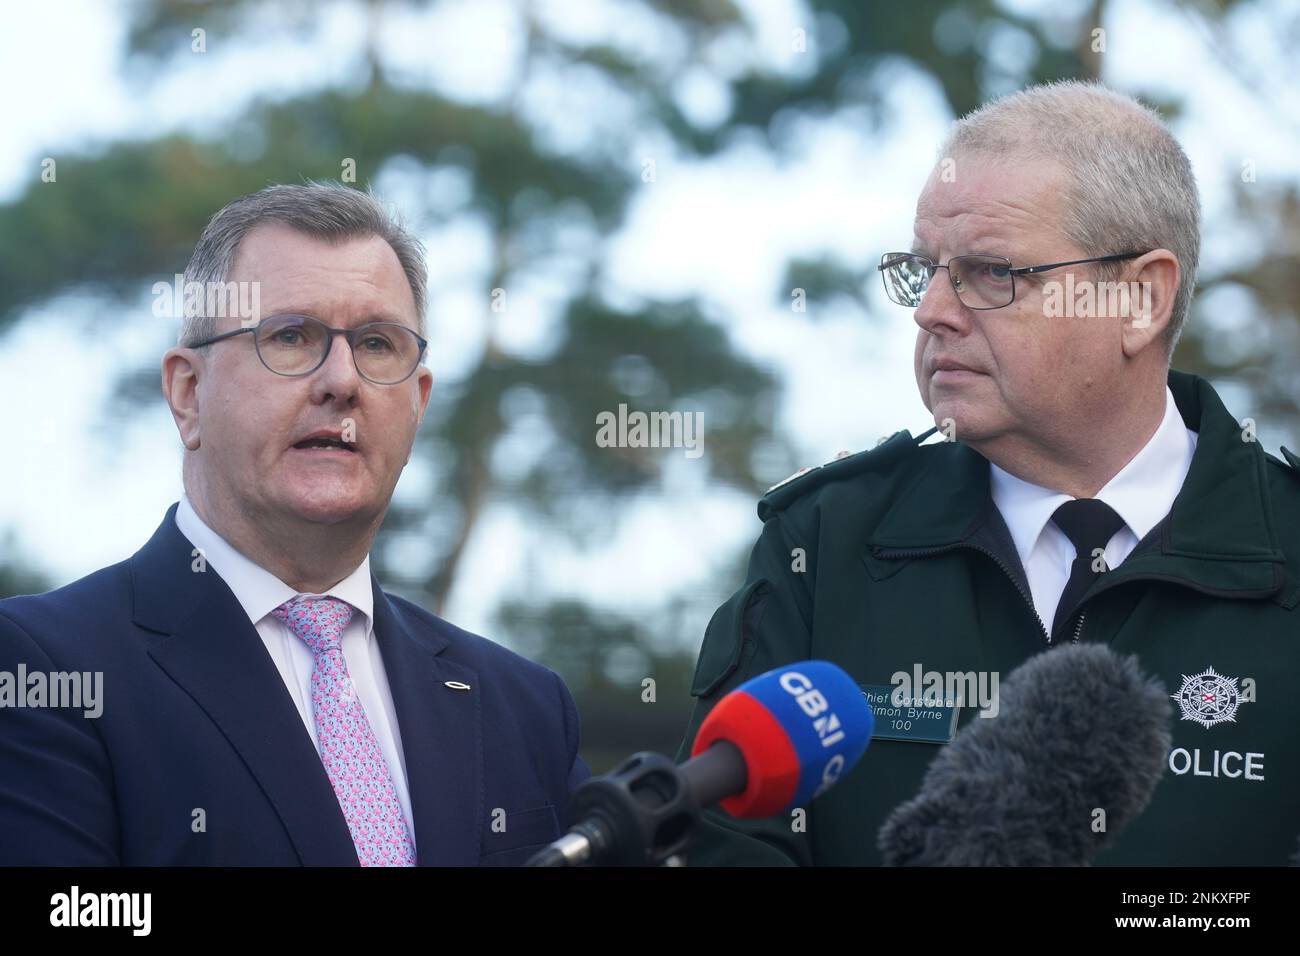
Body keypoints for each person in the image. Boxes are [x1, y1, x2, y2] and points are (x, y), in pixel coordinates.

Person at [675, 81, 1300, 865]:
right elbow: (719, 844)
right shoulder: (827, 544)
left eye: (992, 273)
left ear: (1141, 299)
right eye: (924, 269)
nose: (931, 310)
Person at [0, 183, 589, 866]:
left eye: (376, 344)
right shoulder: (43, 667)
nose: (342, 381)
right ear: (188, 394)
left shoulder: (524, 705)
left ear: (419, 401)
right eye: (290, 336)